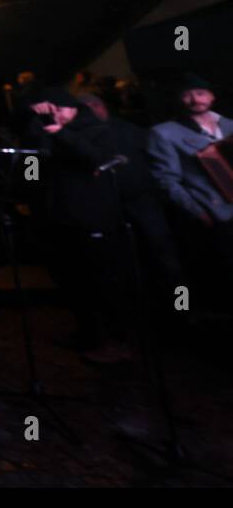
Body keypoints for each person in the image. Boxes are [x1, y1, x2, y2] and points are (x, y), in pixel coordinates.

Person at [23, 89, 130, 363]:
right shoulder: (47, 130)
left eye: (59, 109)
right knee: (71, 280)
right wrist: (37, 121)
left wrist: (60, 132)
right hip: (60, 216)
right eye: (51, 110)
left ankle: (114, 340)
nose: (55, 114)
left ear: (73, 109)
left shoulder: (95, 129)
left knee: (101, 280)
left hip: (92, 216)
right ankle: (88, 333)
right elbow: (35, 160)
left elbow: (93, 157)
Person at [81, 93, 185, 319]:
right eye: (86, 107)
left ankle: (182, 308)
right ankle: (138, 312)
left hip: (144, 200)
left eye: (95, 104)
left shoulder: (130, 130)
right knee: (123, 261)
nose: (92, 110)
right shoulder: (82, 136)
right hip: (108, 206)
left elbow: (156, 160)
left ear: (103, 106)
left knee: (165, 256)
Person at [147, 74, 233, 288]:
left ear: (211, 96)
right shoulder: (164, 133)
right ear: (179, 99)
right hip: (216, 213)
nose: (195, 99)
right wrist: (198, 211)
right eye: (187, 95)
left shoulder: (230, 125)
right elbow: (166, 180)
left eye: (200, 93)